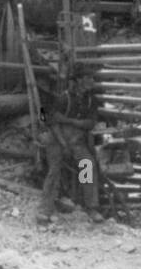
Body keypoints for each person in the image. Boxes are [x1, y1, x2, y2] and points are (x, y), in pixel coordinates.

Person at [37, 69, 103, 225]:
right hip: (57, 139)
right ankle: (45, 208)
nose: (92, 82)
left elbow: (90, 123)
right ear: (78, 81)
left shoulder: (91, 100)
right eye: (88, 78)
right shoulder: (62, 98)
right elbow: (51, 122)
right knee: (55, 169)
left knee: (87, 164)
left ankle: (90, 207)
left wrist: (68, 121)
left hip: (76, 141)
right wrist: (63, 143)